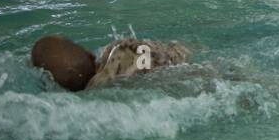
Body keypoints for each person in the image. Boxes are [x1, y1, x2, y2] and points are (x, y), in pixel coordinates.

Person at [31, 35, 191, 91]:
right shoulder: (118, 51)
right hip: (176, 72)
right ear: (91, 55)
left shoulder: (96, 90)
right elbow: (178, 52)